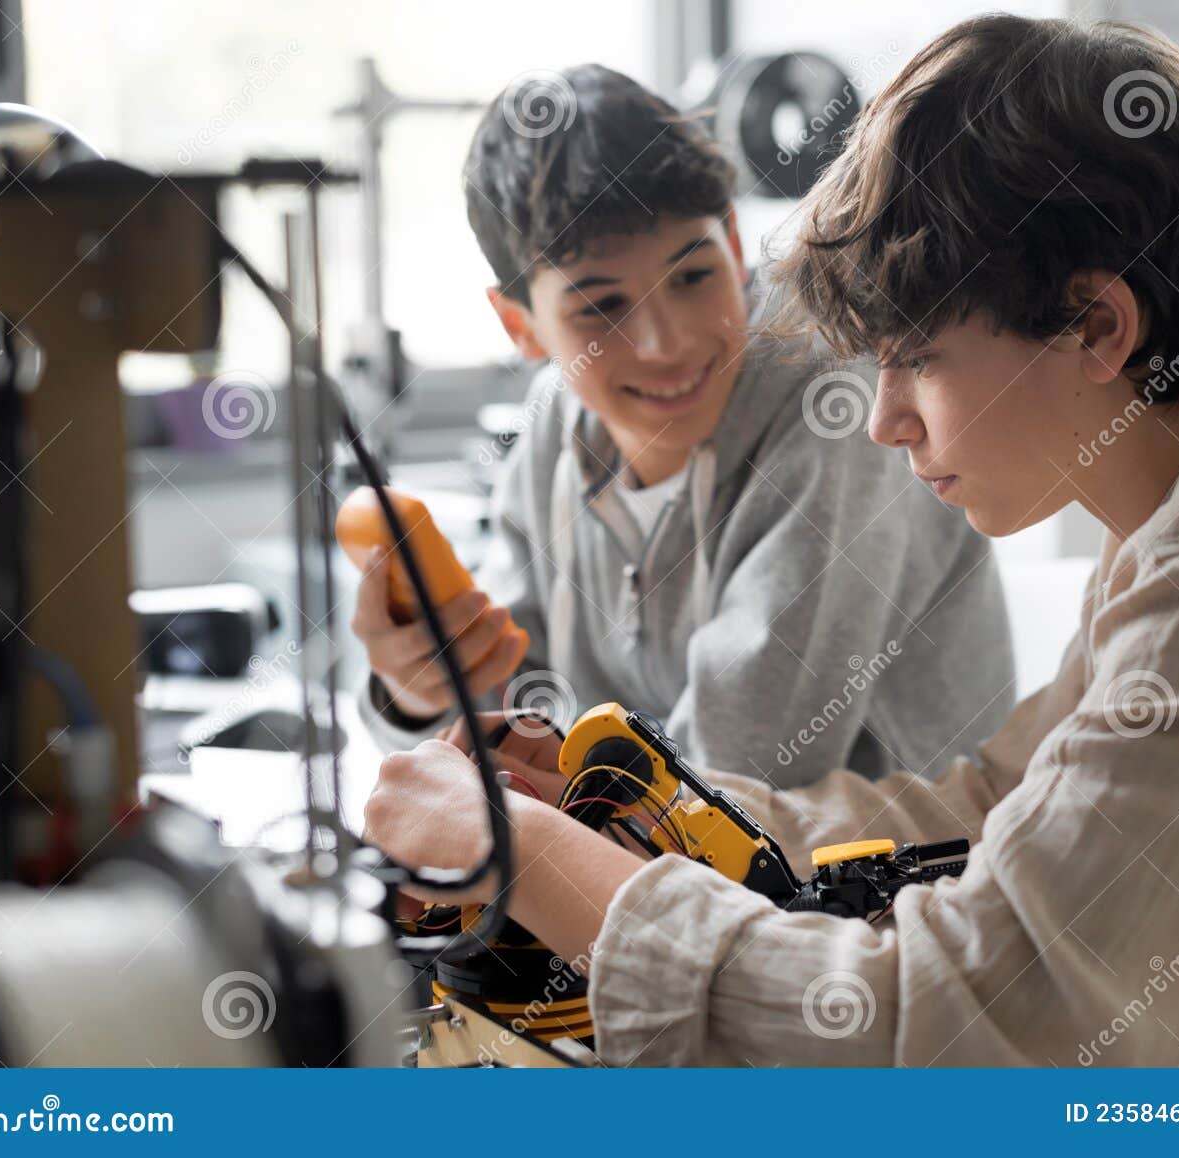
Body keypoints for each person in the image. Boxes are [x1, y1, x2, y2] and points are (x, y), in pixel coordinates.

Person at [363, 16, 1179, 1065]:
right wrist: (631, 809)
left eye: (917, 360)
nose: (887, 419)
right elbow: (1002, 808)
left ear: (1098, 323)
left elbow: (946, 1033)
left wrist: (535, 858)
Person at [353, 63, 1015, 786]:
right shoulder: (557, 425)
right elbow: (510, 711)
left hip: (877, 884)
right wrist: (419, 695)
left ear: (733, 243)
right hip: (654, 875)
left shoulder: (842, 411)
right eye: (600, 307)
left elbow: (746, 777)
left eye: (694, 276)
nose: (665, 345)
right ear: (520, 324)